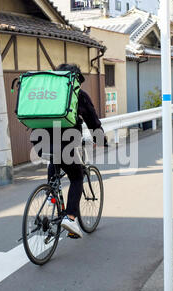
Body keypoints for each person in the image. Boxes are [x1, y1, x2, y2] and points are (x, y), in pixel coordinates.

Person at [31, 63, 106, 238]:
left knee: (54, 159)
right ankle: (70, 218)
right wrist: (100, 139)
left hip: (40, 142)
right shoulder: (78, 95)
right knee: (77, 176)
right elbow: (92, 121)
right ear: (75, 79)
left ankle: (52, 192)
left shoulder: (47, 94)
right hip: (67, 143)